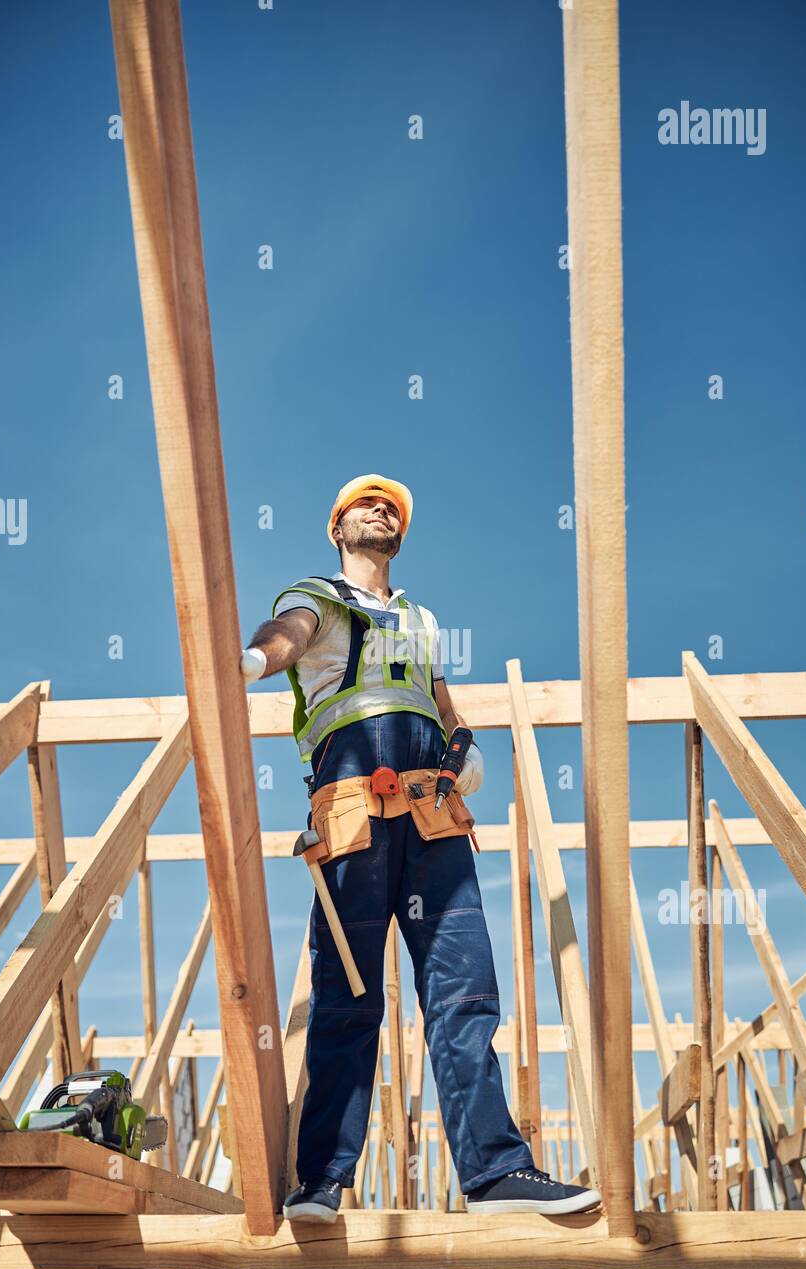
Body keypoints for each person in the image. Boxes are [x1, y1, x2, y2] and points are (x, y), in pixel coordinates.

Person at [241, 473, 602, 1220]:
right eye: (364, 505)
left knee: (465, 993)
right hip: (353, 812)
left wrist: (460, 740)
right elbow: (290, 639)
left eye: (390, 508)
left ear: (398, 535)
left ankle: (496, 1175)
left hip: (433, 812)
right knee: (349, 998)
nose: (380, 511)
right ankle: (321, 1183)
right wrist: (252, 660)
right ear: (338, 528)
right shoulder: (316, 597)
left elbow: (438, 700)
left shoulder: (419, 618)